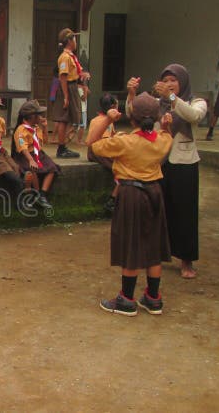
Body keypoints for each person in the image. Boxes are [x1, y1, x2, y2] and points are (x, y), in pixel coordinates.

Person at [89, 92, 174, 316]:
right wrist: (166, 127)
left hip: (131, 194)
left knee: (131, 244)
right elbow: (167, 136)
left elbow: (92, 144)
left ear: (131, 118)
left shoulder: (125, 142)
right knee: (153, 245)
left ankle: (126, 299)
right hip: (154, 192)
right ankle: (153, 298)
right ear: (155, 118)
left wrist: (108, 120)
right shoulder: (162, 140)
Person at [127, 64, 206, 279]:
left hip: (184, 164)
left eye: (174, 80)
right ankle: (153, 255)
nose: (169, 84)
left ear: (183, 82)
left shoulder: (196, 102)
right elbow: (135, 114)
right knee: (155, 210)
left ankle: (186, 260)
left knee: (185, 213)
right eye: (166, 80)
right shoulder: (155, 104)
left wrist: (171, 98)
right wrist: (132, 94)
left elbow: (194, 116)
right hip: (159, 163)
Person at [49, 29, 89, 158]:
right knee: (64, 118)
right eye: (74, 39)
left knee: (71, 117)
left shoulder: (71, 56)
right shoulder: (65, 57)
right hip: (66, 88)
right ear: (70, 41)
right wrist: (66, 96)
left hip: (72, 86)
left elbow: (74, 73)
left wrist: (83, 76)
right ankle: (61, 148)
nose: (76, 41)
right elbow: (63, 76)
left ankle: (64, 145)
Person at [12, 100, 59, 210]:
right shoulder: (21, 130)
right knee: (32, 169)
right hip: (26, 155)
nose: (40, 117)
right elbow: (22, 147)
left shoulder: (36, 128)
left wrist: (45, 127)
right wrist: (31, 160)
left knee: (52, 168)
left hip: (38, 153)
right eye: (38, 115)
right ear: (31, 116)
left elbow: (45, 141)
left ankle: (42, 194)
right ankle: (36, 193)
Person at [87, 93, 120, 212]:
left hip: (95, 150)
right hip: (98, 151)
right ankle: (112, 200)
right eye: (116, 105)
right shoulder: (105, 121)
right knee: (124, 169)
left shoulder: (97, 119)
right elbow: (104, 142)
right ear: (113, 107)